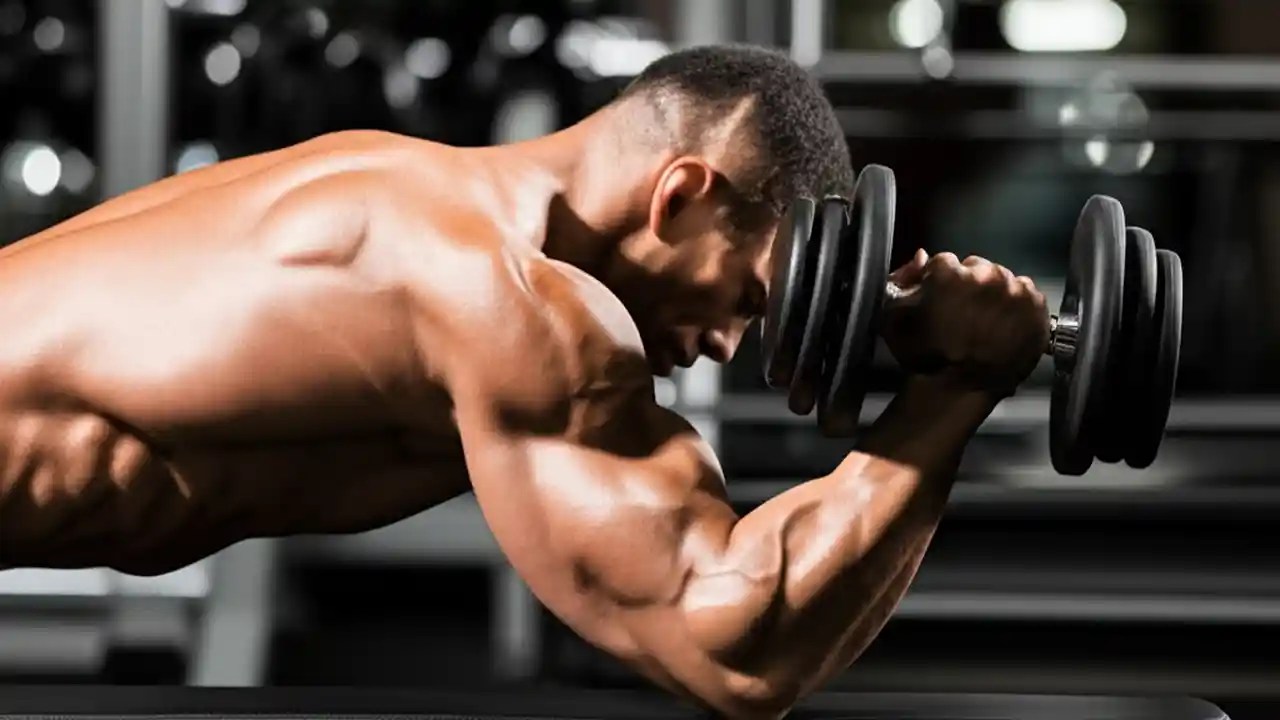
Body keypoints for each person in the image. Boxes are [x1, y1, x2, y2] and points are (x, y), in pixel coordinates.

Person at [0, 45, 1047, 717]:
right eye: (744, 291)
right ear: (679, 195)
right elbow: (732, 643)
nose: (730, 345)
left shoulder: (389, 180)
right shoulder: (507, 302)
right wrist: (951, 391)